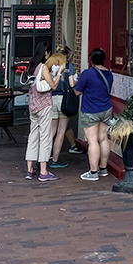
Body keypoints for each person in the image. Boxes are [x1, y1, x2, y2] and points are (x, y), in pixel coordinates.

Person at [25, 43, 64, 182]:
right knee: (45, 137)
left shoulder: (31, 67)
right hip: (44, 105)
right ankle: (43, 171)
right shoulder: (42, 68)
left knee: (33, 136)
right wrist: (59, 73)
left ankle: (29, 170)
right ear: (46, 54)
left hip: (32, 105)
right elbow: (53, 86)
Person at [73, 48, 113, 181]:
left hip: (91, 110)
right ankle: (103, 169)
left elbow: (77, 92)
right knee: (103, 138)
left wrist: (74, 83)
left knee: (92, 141)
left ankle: (93, 172)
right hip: (106, 109)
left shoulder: (87, 74)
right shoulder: (109, 74)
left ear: (91, 60)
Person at [49, 47, 77, 169]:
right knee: (61, 131)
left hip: (51, 98)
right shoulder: (68, 66)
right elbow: (72, 84)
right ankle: (55, 160)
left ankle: (44, 157)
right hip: (63, 99)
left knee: (51, 131)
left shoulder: (50, 66)